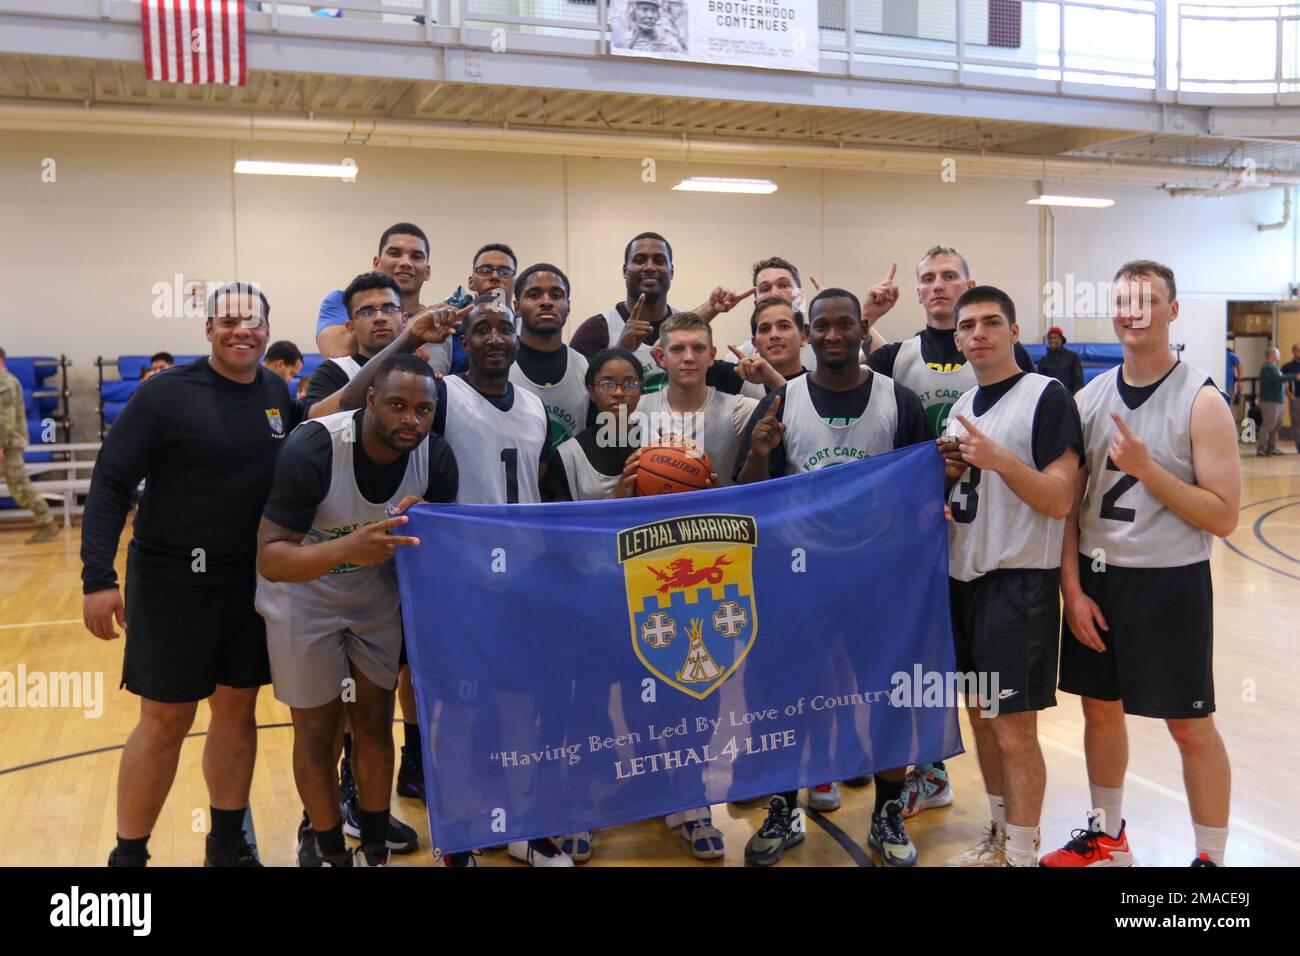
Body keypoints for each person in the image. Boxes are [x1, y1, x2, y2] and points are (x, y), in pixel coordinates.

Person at [337, 294, 572, 867]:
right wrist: (410, 340)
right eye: (481, 328)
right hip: (459, 580)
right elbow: (349, 406)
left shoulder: (538, 408)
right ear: (463, 340)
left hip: (524, 582)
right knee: (459, 713)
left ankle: (522, 823)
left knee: (521, 711)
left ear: (517, 340)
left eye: (503, 329)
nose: (494, 337)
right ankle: (461, 832)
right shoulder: (442, 395)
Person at [81, 283, 301, 867]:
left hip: (246, 580)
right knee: (167, 719)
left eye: (252, 321)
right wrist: (96, 578)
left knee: (236, 708)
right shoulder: (165, 397)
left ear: (266, 329)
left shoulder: (278, 391)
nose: (241, 331)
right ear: (207, 331)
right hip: (171, 581)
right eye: (227, 321)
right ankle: (129, 857)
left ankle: (226, 843)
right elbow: (109, 483)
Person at [1046, 260, 1241, 867]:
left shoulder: (1204, 402)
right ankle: (1108, 838)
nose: (1134, 311)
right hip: (1099, 583)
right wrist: (1071, 591)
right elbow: (1068, 508)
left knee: (1189, 727)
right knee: (1100, 713)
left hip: (1171, 586)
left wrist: (1149, 468)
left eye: (1148, 300)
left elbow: (1224, 516)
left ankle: (1210, 859)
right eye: (1124, 300)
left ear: (1172, 311)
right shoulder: (1088, 399)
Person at [734, 287, 931, 866]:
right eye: (823, 325)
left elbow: (923, 488)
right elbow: (747, 496)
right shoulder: (781, 401)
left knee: (891, 698)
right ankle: (783, 806)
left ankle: (889, 812)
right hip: (800, 582)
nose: (835, 334)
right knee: (787, 700)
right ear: (807, 331)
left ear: (859, 328)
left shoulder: (899, 399)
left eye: (846, 324)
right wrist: (759, 452)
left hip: (880, 579)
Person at [257, 354, 458, 867]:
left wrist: (430, 527)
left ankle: (372, 844)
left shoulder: (434, 458)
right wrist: (349, 548)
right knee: (318, 731)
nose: (410, 419)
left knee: (373, 720)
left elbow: (443, 551)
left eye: (422, 409)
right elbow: (273, 559)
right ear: (370, 399)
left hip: (373, 592)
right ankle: (327, 847)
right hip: (303, 591)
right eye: (396, 404)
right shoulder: (315, 446)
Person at [864, 245, 1034, 816]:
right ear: (917, 293)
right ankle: (926, 767)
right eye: (929, 279)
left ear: (969, 282)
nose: (939, 286)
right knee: (926, 657)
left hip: (985, 526)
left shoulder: (1009, 361)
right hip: (916, 522)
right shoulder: (895, 355)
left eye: (949, 277)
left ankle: (948, 782)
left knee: (973, 674)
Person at [937, 287, 1082, 867]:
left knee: (1014, 729)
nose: (979, 333)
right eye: (968, 325)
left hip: (1019, 583)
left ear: (1014, 331)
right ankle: (999, 839)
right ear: (957, 339)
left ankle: (1023, 854)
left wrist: (998, 459)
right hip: (965, 581)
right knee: (982, 718)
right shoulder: (961, 405)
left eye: (992, 322)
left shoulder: (1046, 396)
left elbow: (1059, 499)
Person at [302, 272, 423, 861]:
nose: (380, 317)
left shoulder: (425, 380)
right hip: (322, 579)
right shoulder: (334, 375)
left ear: (404, 315)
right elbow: (316, 421)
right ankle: (317, 827)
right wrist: (405, 348)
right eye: (367, 311)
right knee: (322, 723)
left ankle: (368, 820)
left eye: (389, 310)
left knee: (373, 716)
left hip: (391, 577)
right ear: (349, 327)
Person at [637, 311, 768, 487]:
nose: (689, 358)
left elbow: (798, 423)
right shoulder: (637, 408)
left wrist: (771, 377)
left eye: (698, 348)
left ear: (712, 355)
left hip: (719, 514)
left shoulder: (740, 410)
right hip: (657, 512)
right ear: (661, 357)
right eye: (677, 349)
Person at [315, 223, 455, 374]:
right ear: (377, 263)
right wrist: (413, 330)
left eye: (416, 256)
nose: (405, 263)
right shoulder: (341, 301)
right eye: (395, 254)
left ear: (427, 271)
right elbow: (337, 353)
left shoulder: (442, 323)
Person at [570, 232, 680, 392]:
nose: (650, 267)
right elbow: (580, 397)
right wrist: (620, 351)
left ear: (671, 271)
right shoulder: (595, 330)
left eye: (659, 260)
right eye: (640, 260)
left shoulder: (687, 327)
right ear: (624, 270)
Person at [541, 348, 644, 504]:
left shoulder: (656, 444)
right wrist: (615, 496)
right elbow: (560, 523)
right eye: (607, 384)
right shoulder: (569, 456)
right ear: (592, 391)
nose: (619, 392)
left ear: (640, 391)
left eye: (629, 384)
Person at [508, 263, 590, 454]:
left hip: (570, 481)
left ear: (568, 306)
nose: (546, 302)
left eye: (556, 295)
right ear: (517, 307)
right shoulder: (502, 364)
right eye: (534, 295)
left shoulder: (582, 366)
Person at [0, 347, 58, 543]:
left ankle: (47, 523)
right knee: (19, 486)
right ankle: (46, 522)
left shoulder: (6, 383)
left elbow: (5, 420)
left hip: (7, 445)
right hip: (5, 444)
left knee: (20, 486)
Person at [1257, 348, 1297, 456]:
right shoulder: (1268, 367)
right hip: (1270, 401)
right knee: (1268, 425)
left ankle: (1271, 447)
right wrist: (1295, 376)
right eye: (1278, 354)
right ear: (1273, 355)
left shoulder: (1274, 367)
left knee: (1276, 426)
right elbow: (1278, 378)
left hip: (1278, 401)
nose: (1279, 355)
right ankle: (1261, 448)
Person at [1036, 326, 1085, 395]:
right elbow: (1040, 383)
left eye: (1055, 338)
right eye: (1050, 338)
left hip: (1069, 396)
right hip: (1051, 397)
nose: (1052, 340)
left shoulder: (1073, 357)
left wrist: (1077, 397)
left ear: (1061, 340)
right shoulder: (1043, 360)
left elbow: (1079, 380)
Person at [1283, 343, 1300, 452]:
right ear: (1293, 352)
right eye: (1298, 350)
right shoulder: (1287, 367)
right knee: (1296, 424)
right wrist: (1289, 395)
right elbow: (1280, 382)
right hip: (1296, 399)